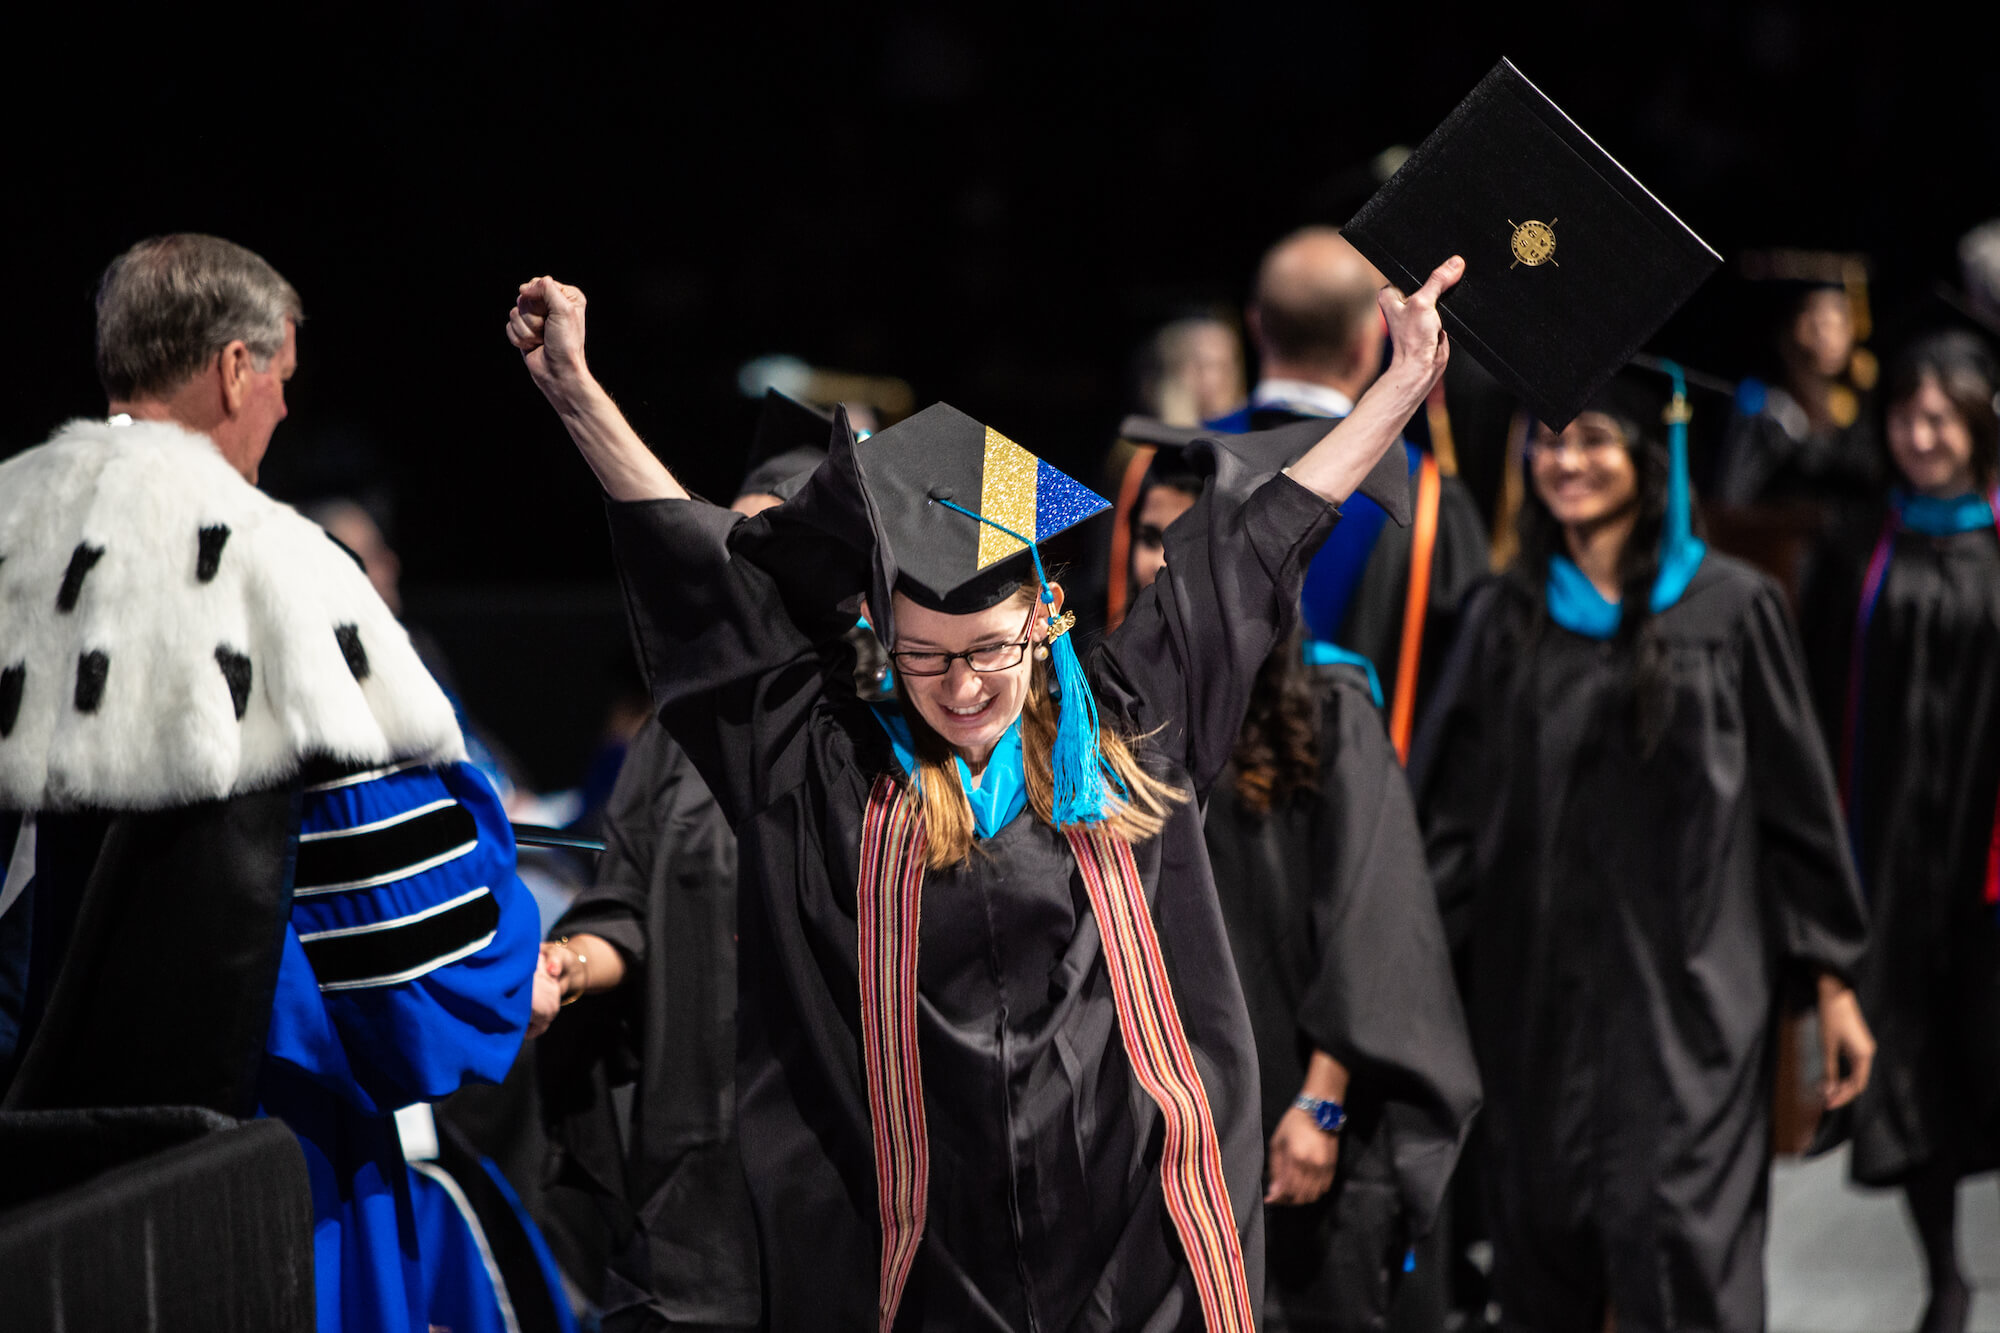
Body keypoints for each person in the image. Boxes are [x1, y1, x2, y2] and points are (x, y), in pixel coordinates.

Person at [507, 251, 1461, 1330]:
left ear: (1045, 616)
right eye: (924, 656)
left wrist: (1399, 382)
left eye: (988, 650)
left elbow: (1256, 541)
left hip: (1139, 1240)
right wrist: (578, 395)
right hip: (929, 1251)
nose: (960, 685)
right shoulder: (840, 774)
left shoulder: (1131, 721)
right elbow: (706, 586)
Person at [0, 233, 540, 1333]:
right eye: (282, 380)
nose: (284, 415)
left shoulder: (8, 529)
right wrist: (516, 960)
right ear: (235, 368)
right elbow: (402, 945)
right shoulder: (275, 569)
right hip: (245, 1153)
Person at [1412, 361, 1875, 1333]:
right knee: (1540, 1249)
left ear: (1646, 454)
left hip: (1694, 1005)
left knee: (1684, 1250)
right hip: (1535, 1003)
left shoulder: (1731, 608)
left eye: (1589, 439)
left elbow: (1794, 810)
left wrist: (1830, 983)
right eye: (1546, 439)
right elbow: (1444, 826)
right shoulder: (1504, 618)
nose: (1562, 461)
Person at [528, 392, 853, 1333]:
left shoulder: (884, 740)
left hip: (843, 1178)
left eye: (758, 561)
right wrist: (570, 964)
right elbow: (623, 901)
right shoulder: (672, 740)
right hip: (694, 1170)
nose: (729, 588)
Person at [1127, 475, 1480, 1332]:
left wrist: (1321, 1102)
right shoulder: (1121, 710)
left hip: (1311, 1118)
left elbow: (1372, 913)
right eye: (1148, 535)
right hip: (1184, 1125)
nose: (1166, 560)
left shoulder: (1330, 704)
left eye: (1191, 539)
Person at [1798, 331, 2000, 1333]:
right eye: (1903, 418)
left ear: (1976, 424)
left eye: (1939, 418)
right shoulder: (1850, 547)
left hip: (1986, 856)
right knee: (1906, 1066)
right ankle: (1943, 1275)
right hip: (1882, 857)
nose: (1919, 437)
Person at [1201, 227, 1487, 751]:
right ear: (1369, 339)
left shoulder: (1171, 464)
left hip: (1182, 806)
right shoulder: (1425, 498)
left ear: (1256, 325)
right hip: (1360, 809)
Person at [1716, 251, 1884, 512]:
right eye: (1818, 322)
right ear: (1793, 329)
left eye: (1840, 322)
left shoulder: (1865, 407)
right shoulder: (1764, 407)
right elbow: (1733, 497)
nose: (1829, 335)